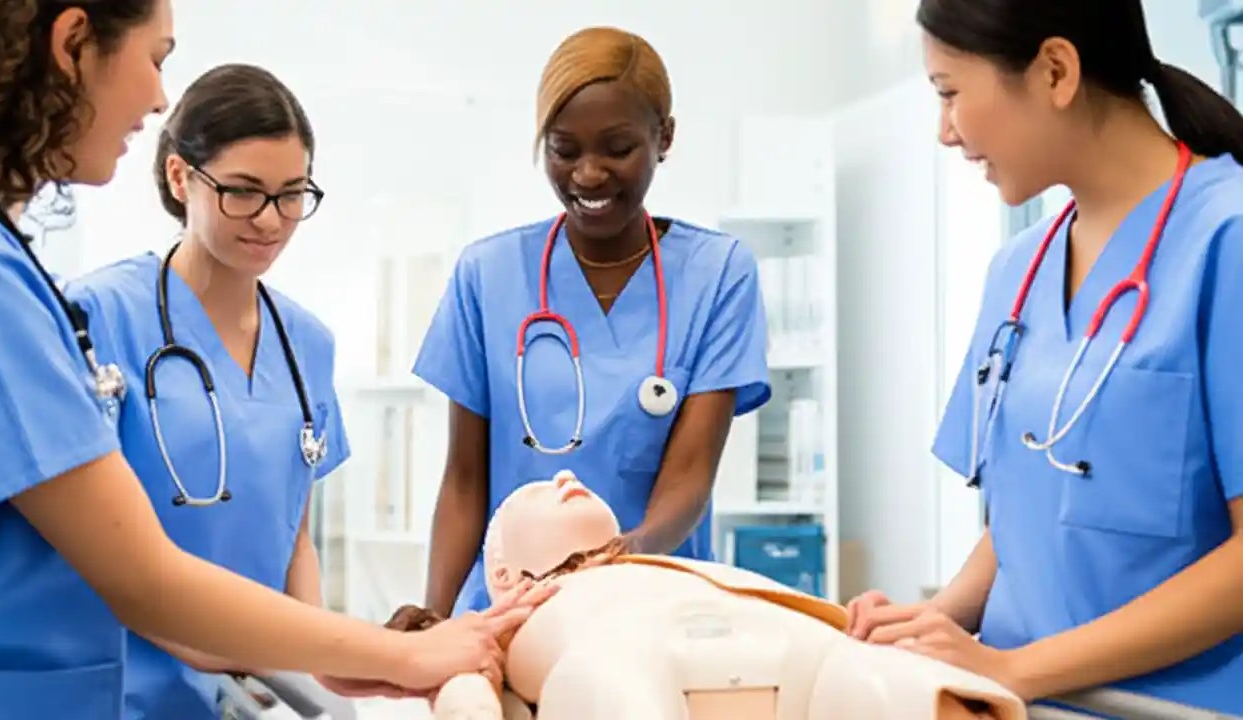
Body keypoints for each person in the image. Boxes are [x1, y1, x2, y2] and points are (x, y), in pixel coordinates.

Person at [0, 3, 545, 717]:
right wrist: (390, 653)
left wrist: (326, 664)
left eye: (291, 195)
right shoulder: (1, 283)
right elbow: (140, 577)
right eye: (157, 57)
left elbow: (288, 524)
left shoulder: (303, 341)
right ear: (72, 43)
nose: (157, 96)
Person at [845, 0, 1243, 714]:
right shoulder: (1017, 270)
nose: (944, 131)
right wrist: (944, 620)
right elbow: (1035, 507)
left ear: (1055, 70)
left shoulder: (1228, 241)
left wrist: (1019, 667)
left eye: (950, 93)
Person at [413, 25, 772, 618]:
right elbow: (464, 481)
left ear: (665, 138)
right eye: (564, 149)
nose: (588, 173)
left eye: (617, 147)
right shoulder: (488, 273)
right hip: (508, 610)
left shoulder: (718, 273)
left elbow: (690, 477)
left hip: (652, 599)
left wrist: (622, 559)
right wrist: (436, 617)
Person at [62, 63, 349, 719]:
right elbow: (77, 541)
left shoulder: (309, 343)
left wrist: (313, 669)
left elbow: (293, 537)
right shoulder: (97, 316)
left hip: (261, 690)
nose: (271, 220)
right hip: (127, 687)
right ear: (179, 177)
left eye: (292, 193)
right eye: (244, 192)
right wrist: (217, 650)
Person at [387, 471, 1026, 720]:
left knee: (891, 692)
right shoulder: (507, 620)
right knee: (617, 697)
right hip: (623, 662)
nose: (566, 474)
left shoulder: (678, 570)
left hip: (791, 647)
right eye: (537, 493)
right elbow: (467, 698)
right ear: (504, 574)